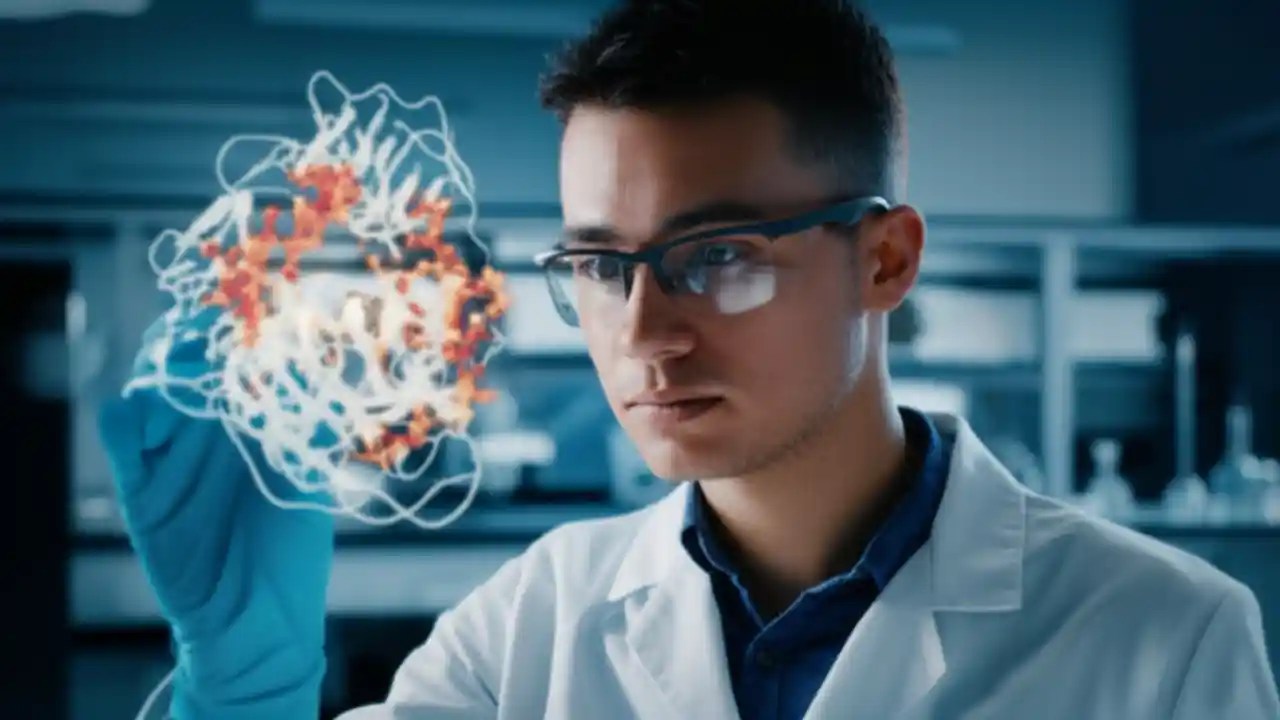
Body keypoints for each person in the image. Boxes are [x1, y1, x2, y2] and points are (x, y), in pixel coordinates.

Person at [99, 1, 1279, 718]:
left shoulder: (1161, 640)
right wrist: (239, 689)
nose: (644, 334)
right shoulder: (530, 625)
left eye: (714, 257)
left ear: (882, 261)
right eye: (601, 266)